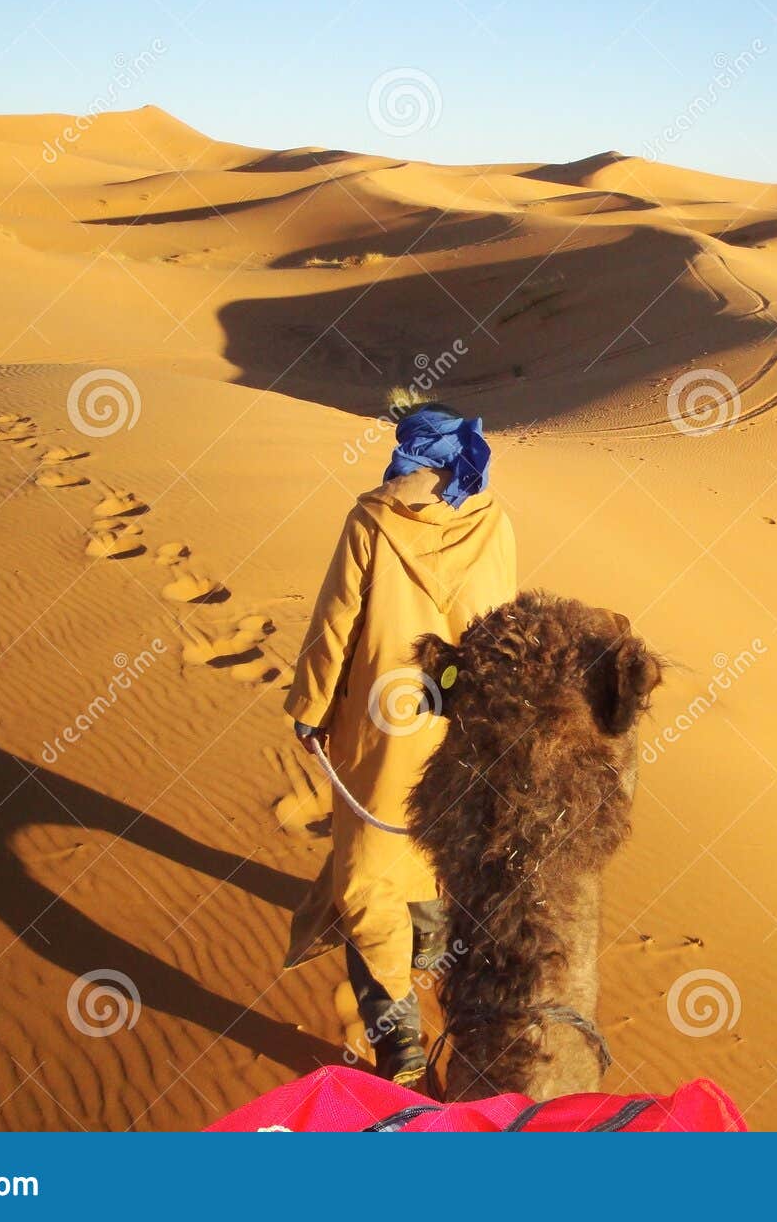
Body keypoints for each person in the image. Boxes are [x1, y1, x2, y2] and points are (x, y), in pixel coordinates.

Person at [281, 395, 516, 1086]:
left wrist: (311, 706)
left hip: (384, 728)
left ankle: (400, 1048)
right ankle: (434, 950)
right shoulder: (492, 518)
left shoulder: (374, 516)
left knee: (369, 876)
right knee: (439, 848)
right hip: (465, 721)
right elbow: (504, 619)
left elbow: (337, 620)